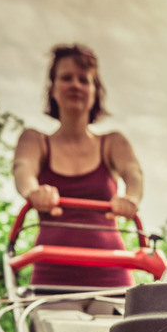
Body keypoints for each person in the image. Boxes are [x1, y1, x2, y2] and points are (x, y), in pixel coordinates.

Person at [12, 43, 145, 287]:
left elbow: (134, 173)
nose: (75, 85)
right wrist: (34, 192)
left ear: (95, 91)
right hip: (51, 277)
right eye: (66, 78)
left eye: (84, 80)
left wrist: (131, 199)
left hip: (112, 275)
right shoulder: (35, 140)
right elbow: (23, 169)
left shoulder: (112, 143)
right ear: (52, 89)